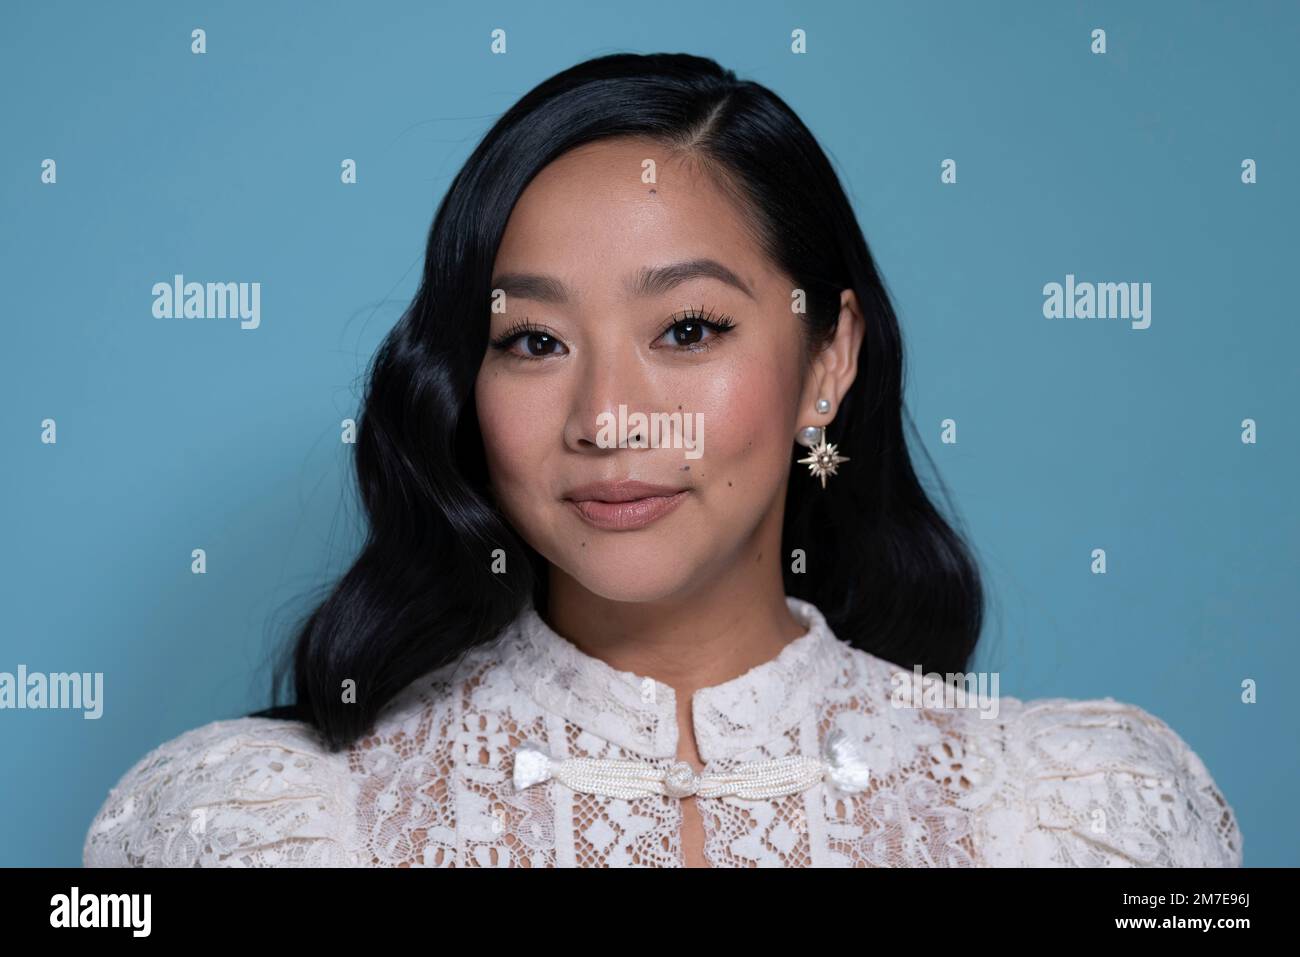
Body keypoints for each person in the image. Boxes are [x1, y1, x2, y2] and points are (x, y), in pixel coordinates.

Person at [82, 52, 1242, 868]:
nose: (610, 418)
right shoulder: (257, 824)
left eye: (688, 330)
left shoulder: (1076, 819)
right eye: (532, 341)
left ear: (827, 359)